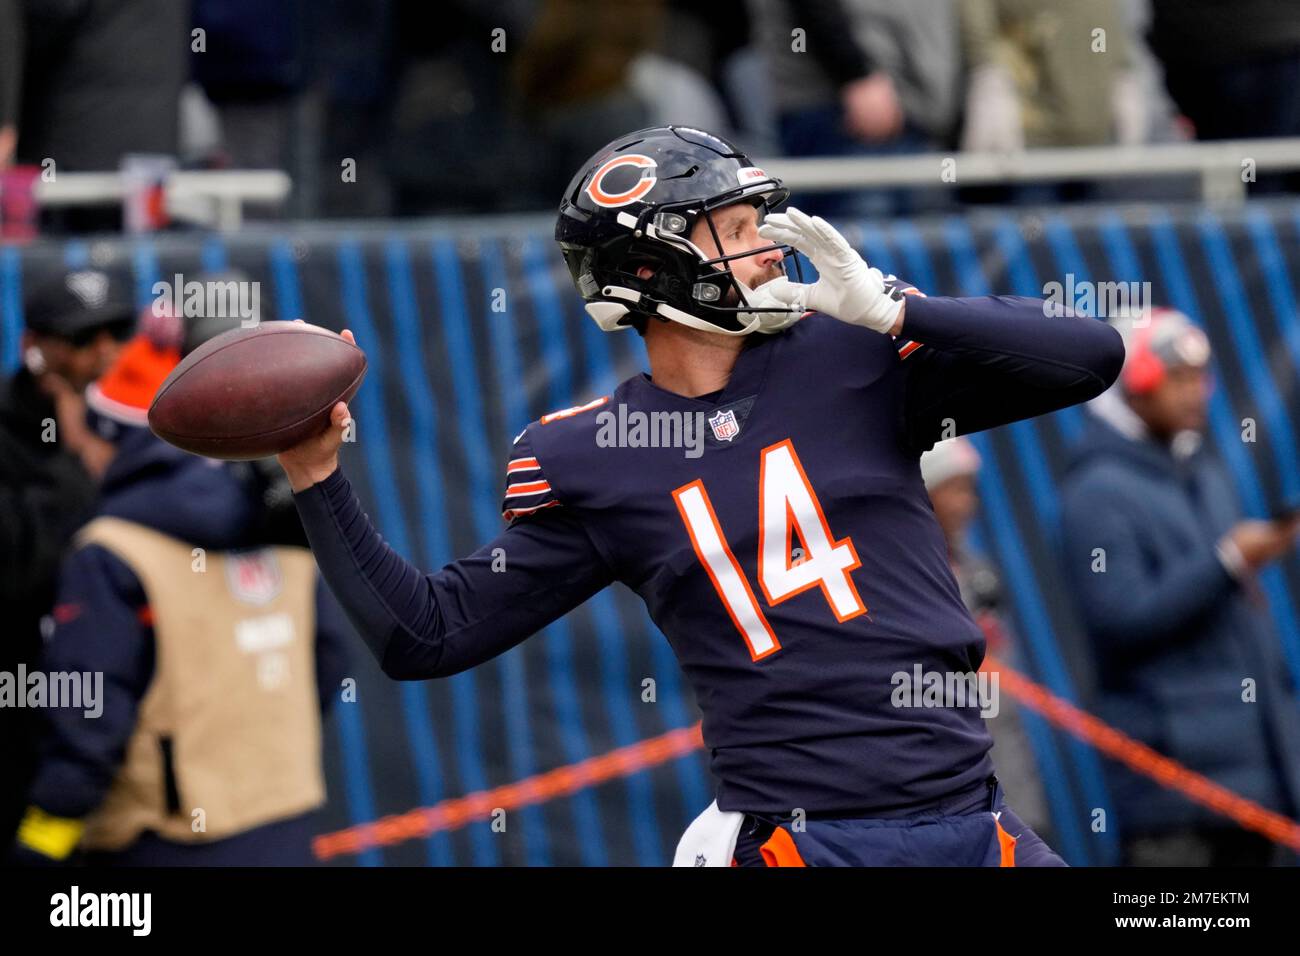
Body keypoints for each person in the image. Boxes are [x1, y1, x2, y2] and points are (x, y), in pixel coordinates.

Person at [279, 125, 1123, 866]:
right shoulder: (596, 455)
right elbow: (424, 634)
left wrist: (902, 312)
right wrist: (318, 475)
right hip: (804, 840)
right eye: (736, 229)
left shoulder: (856, 357)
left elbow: (1091, 356)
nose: (767, 248)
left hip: (972, 818)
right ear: (651, 269)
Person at [9, 316, 350, 866]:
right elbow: (329, 663)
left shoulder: (109, 553)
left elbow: (88, 726)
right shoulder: (285, 522)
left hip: (159, 846)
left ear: (111, 437)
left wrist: (38, 847)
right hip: (285, 826)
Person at [1060, 308, 1300, 867]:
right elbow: (1119, 617)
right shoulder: (1096, 491)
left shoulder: (1203, 473)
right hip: (1173, 793)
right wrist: (1225, 561)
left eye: (1200, 377)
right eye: (1178, 378)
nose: (1196, 393)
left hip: (1253, 779)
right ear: (1134, 384)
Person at [0, 268, 133, 848]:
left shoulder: (139, 420)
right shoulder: (9, 436)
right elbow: (19, 573)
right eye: (82, 339)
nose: (104, 353)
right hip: (27, 715)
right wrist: (77, 460)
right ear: (34, 347)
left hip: (125, 714)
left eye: (114, 332)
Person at [919, 437, 1053, 841]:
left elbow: (1001, 701)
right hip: (959, 804)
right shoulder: (912, 585)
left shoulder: (977, 573)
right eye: (952, 490)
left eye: (969, 490)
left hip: (1010, 783)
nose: (966, 504)